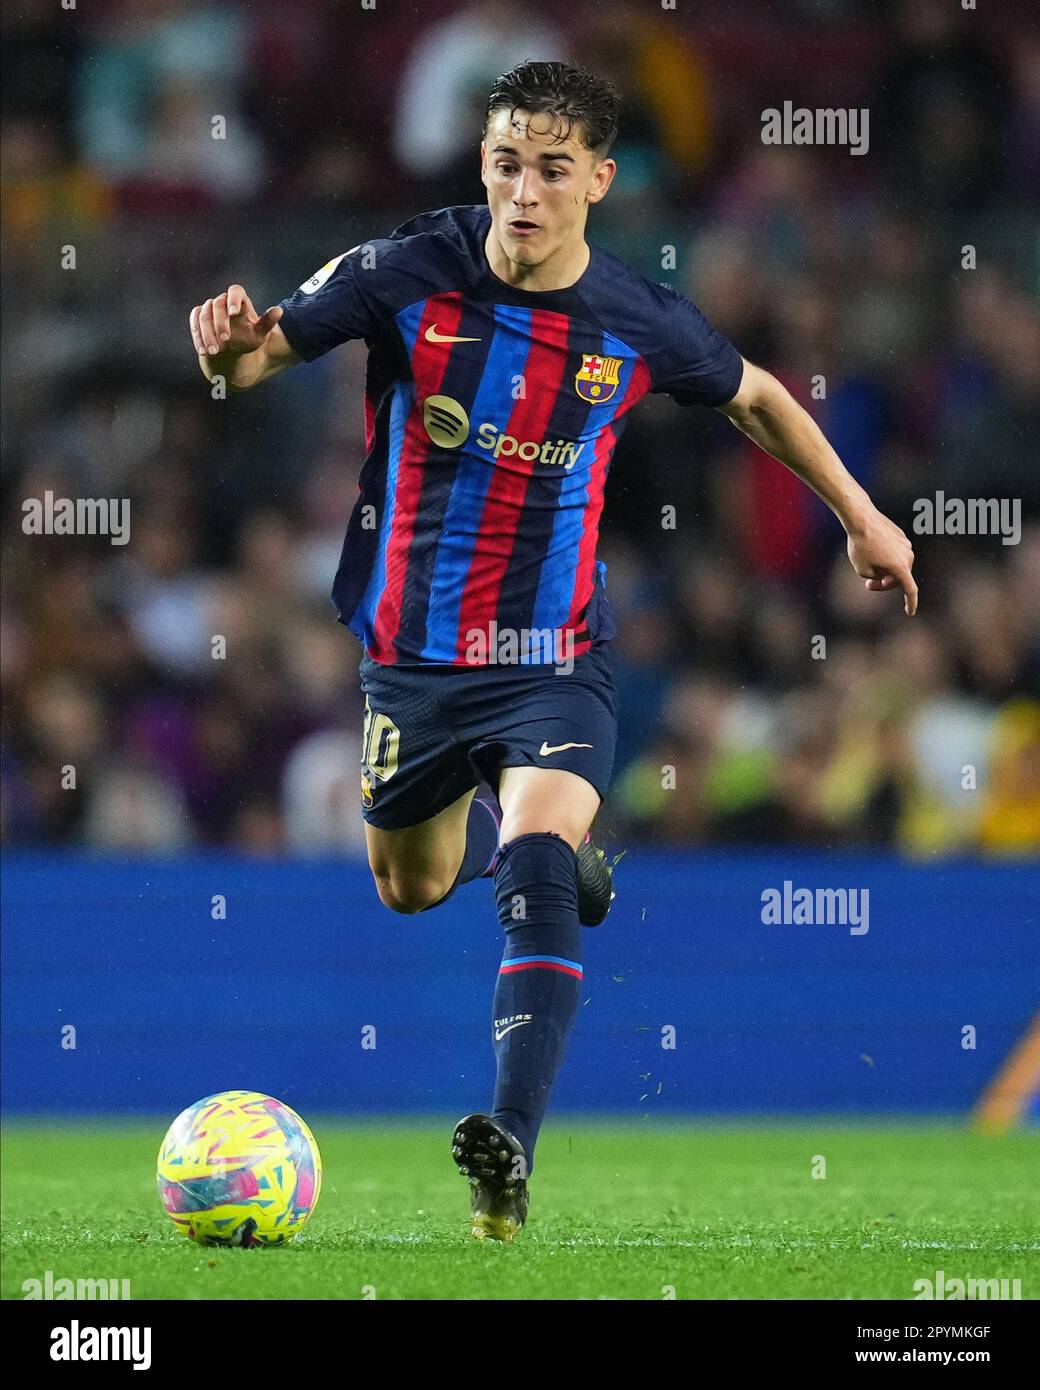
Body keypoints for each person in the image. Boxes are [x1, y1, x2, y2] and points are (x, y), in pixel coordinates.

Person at [188, 61, 918, 1243]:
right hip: (409, 657)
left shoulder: (635, 320)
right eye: (504, 165)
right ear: (482, 164)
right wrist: (224, 347)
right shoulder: (402, 269)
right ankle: (537, 853)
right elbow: (255, 359)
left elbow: (760, 398)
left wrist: (859, 514)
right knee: (410, 886)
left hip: (550, 652)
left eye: (550, 170)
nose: (522, 192)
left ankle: (508, 1149)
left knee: (533, 847)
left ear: (598, 180)